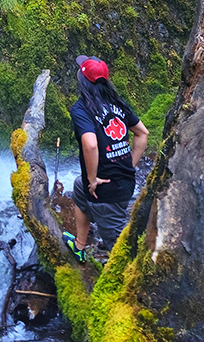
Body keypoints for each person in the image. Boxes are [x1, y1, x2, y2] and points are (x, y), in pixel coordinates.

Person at [63, 55, 149, 262]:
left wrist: (93, 179)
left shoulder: (82, 108)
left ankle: (129, 285)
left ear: (82, 80)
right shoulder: (117, 103)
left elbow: (90, 144)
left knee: (118, 245)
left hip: (107, 188)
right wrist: (129, 166)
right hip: (123, 181)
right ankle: (80, 246)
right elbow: (142, 133)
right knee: (80, 187)